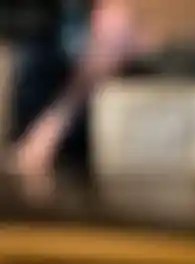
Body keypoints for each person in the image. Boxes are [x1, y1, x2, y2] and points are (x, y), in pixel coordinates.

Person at [10, 0, 137, 179]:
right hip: (34, 138)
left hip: (76, 151)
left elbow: (98, 65)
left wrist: (50, 130)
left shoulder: (113, 21)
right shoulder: (45, 19)